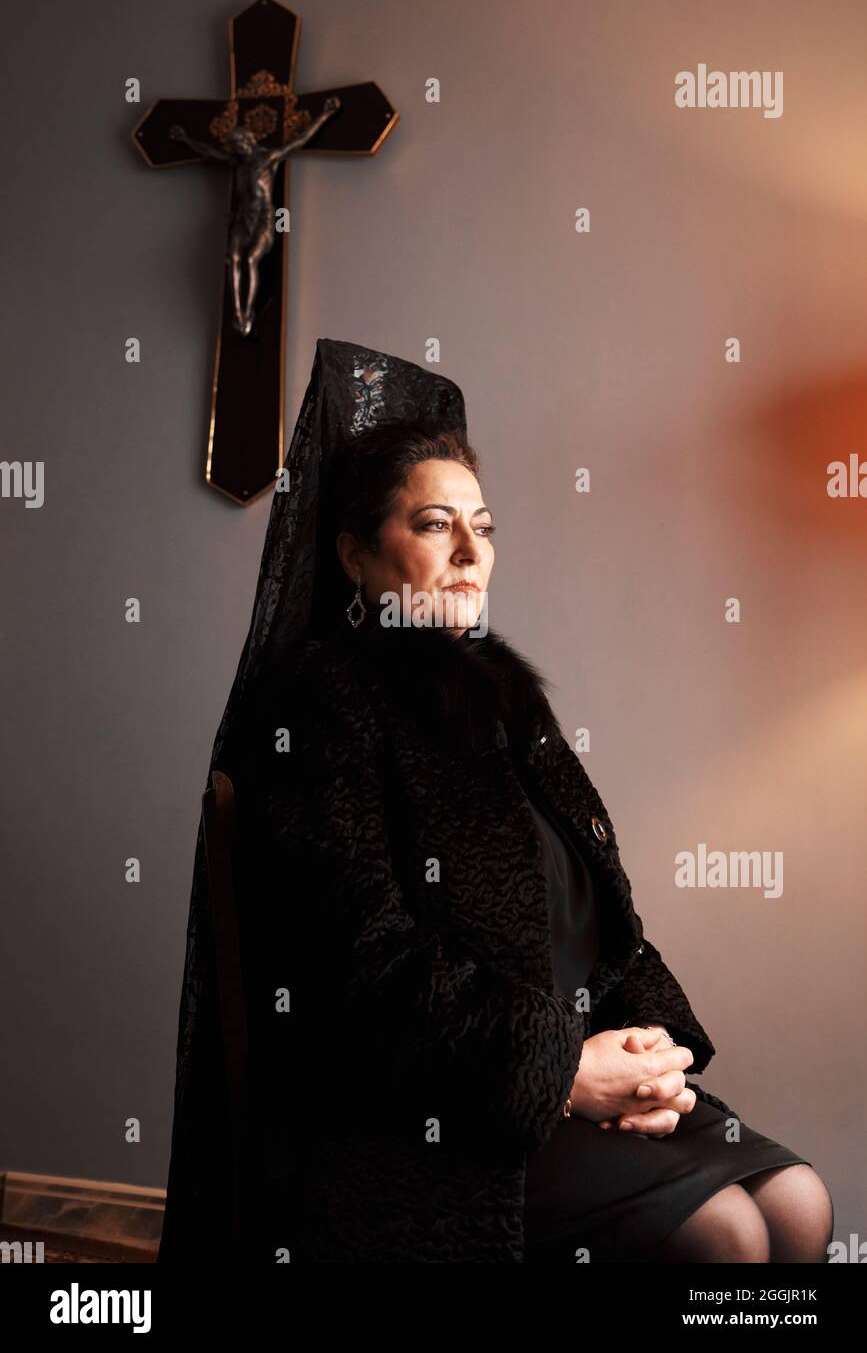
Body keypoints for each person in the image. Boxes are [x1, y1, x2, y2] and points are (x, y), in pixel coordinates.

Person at [157, 338, 833, 1264]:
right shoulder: (316, 712)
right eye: (435, 525)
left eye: (485, 525)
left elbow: (604, 923)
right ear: (355, 552)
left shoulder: (508, 701)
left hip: (562, 1074)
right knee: (726, 1236)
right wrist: (558, 1074)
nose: (474, 551)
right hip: (410, 1110)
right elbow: (365, 965)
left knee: (798, 1204)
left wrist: (653, 1053)